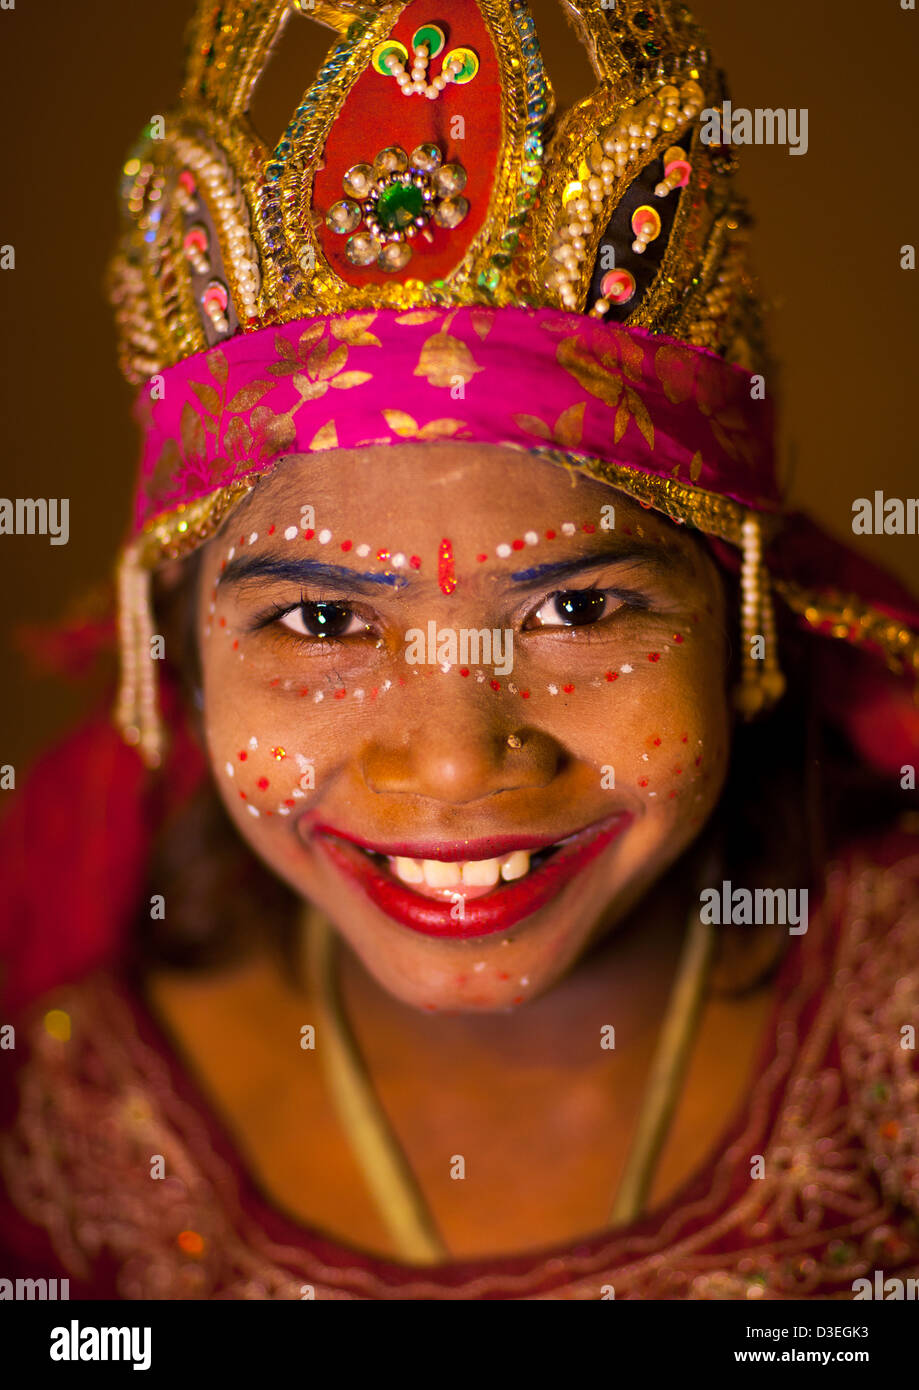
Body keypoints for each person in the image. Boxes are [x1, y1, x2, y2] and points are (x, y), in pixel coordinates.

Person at [1, 0, 918, 1300]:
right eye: (322, 622)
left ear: (747, 620)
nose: (446, 765)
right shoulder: (77, 1123)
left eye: (578, 611)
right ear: (180, 667)